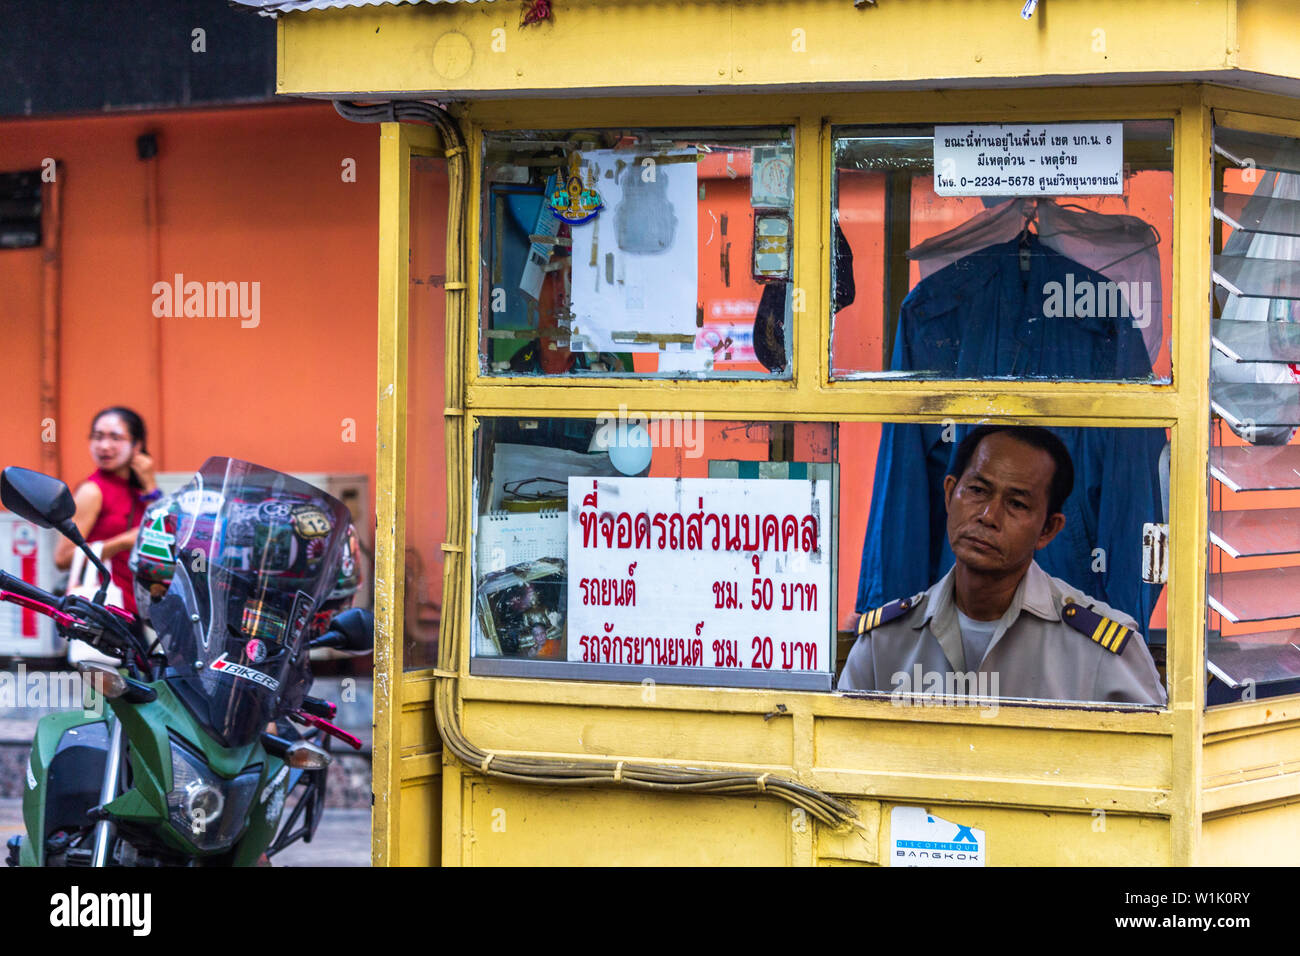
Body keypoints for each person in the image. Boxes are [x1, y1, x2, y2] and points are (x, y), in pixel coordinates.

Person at [839, 425, 1166, 706]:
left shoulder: (1104, 654)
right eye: (977, 491)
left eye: (1016, 504)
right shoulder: (882, 646)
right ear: (950, 493)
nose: (988, 516)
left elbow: (1146, 767)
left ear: (1049, 529)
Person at [53, 407, 160, 616]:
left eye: (115, 438)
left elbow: (161, 536)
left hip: (132, 609)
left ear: (137, 445)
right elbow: (63, 558)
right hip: (101, 611)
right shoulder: (92, 491)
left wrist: (150, 486)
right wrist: (122, 543)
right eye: (98, 437)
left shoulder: (137, 490)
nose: (104, 446)